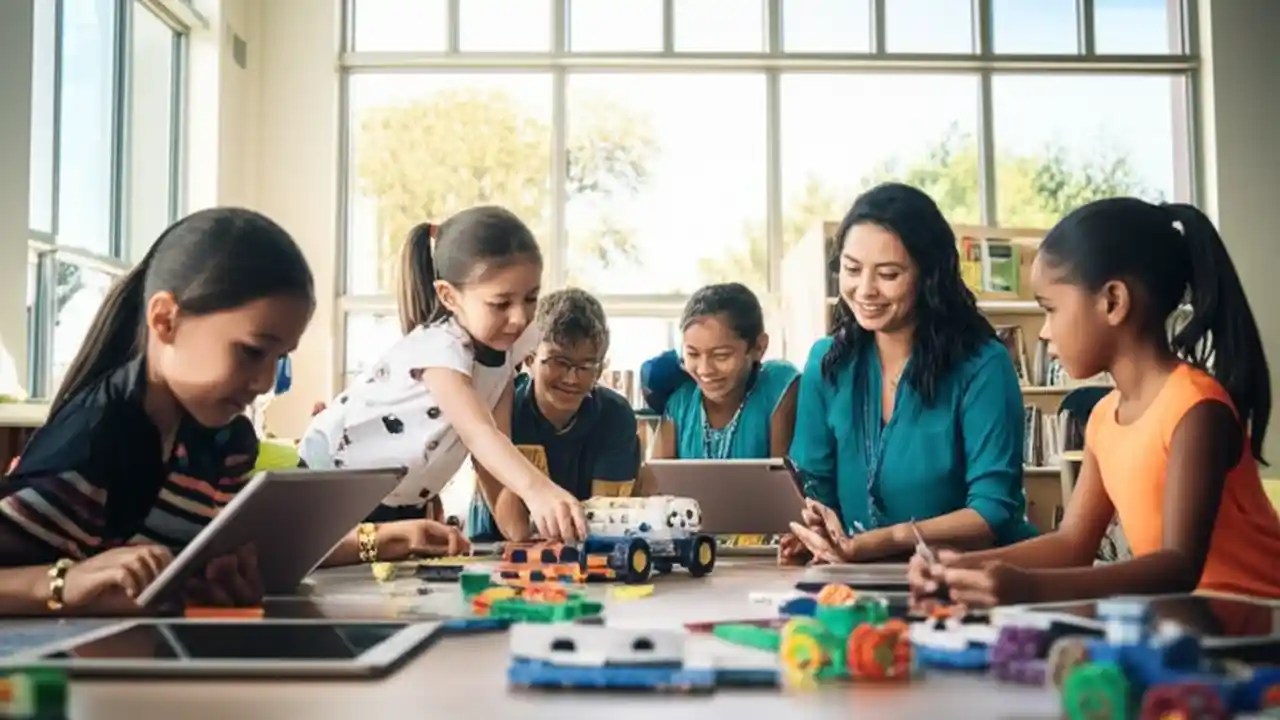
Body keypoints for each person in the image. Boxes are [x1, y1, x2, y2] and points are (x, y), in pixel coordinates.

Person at [910, 198, 1280, 607]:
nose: (1045, 333)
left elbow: (1178, 567)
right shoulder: (1104, 416)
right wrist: (962, 567)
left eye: (1050, 310)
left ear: (1112, 302)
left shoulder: (1196, 409)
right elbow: (1072, 545)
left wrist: (1029, 588)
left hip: (1259, 628)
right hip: (1194, 628)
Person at [0, 208, 314, 614]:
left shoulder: (223, 442)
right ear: (165, 320)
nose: (266, 381)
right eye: (252, 351)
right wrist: (61, 583)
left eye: (280, 358)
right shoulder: (92, 444)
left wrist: (210, 581)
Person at [300, 206, 588, 561]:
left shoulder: (505, 353)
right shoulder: (438, 347)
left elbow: (495, 450)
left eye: (530, 298)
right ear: (449, 297)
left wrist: (523, 534)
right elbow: (477, 433)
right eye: (500, 304)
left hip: (400, 506)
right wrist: (539, 490)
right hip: (329, 488)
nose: (519, 318)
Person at [785, 183, 1037, 566]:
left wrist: (886, 540)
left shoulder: (983, 365)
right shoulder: (827, 361)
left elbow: (992, 511)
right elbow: (811, 484)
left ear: (929, 276)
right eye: (852, 269)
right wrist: (816, 532)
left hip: (971, 578)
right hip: (860, 575)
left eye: (888, 274)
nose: (864, 290)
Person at [467, 289, 640, 541]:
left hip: (581, 549)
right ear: (529, 358)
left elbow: (606, 522)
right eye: (558, 362)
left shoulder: (615, 415)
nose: (571, 378)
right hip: (492, 547)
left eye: (585, 366)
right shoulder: (502, 407)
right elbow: (515, 529)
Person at [650, 283, 799, 461]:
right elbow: (656, 481)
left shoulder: (777, 388)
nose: (705, 369)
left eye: (721, 356)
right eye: (693, 354)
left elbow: (781, 481)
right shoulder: (681, 404)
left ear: (759, 347)